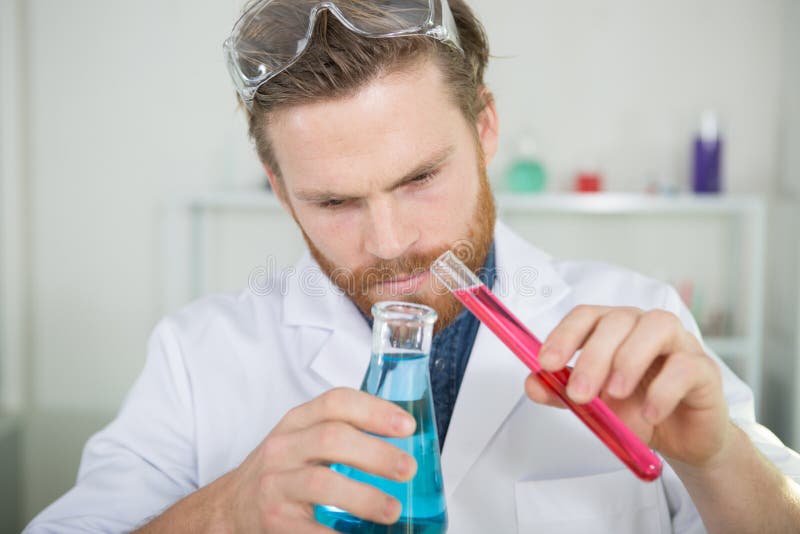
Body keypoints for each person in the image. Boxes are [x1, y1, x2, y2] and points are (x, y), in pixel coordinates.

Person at [26, 1, 800, 532]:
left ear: (486, 126)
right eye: (333, 202)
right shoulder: (199, 356)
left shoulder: (638, 314)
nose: (391, 242)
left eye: (420, 178)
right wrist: (226, 512)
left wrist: (718, 458)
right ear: (279, 189)